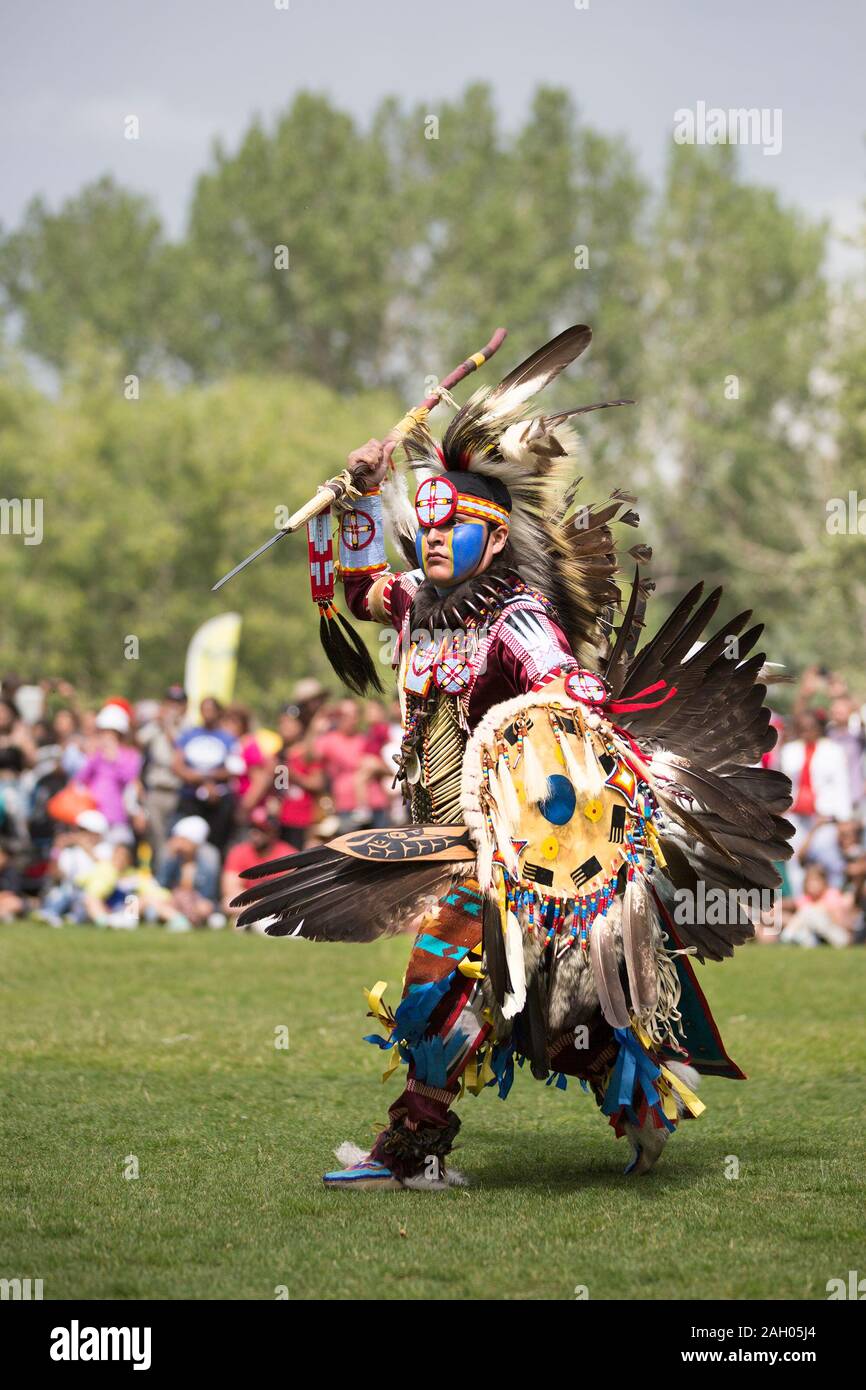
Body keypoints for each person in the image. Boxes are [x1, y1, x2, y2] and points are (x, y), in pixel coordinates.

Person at [232, 324, 793, 1190]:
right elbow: (357, 589)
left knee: (441, 982)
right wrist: (363, 495)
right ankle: (638, 1101)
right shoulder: (418, 605)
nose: (431, 539)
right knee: (542, 1007)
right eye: (425, 525)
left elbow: (568, 686)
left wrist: (572, 703)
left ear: (493, 539)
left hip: (516, 844)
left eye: (451, 525)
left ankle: (417, 1153)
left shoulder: (514, 616)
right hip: (447, 832)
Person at [780, 709, 851, 896]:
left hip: (823, 817)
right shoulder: (790, 751)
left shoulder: (833, 750)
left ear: (819, 728)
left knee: (828, 860)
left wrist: (844, 819)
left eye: (810, 727)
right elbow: (784, 783)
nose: (806, 731)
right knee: (795, 861)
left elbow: (842, 785)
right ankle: (800, 899)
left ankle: (832, 898)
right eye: (802, 728)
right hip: (796, 815)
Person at [173, 697, 241, 852]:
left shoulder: (228, 739)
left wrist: (209, 779)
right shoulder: (189, 735)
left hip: (218, 799)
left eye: (211, 710)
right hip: (190, 797)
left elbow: (233, 768)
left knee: (214, 842)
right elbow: (177, 764)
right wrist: (199, 779)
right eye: (205, 710)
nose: (208, 714)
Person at [221, 807, 295, 926]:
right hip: (257, 904)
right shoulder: (238, 852)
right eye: (253, 828)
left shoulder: (288, 855)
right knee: (228, 902)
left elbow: (292, 893)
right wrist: (263, 902)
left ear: (273, 832)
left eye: (261, 829)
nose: (255, 834)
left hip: (276, 907)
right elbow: (230, 890)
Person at [138, 686, 186, 858]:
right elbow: (139, 740)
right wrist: (157, 723)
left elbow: (182, 748)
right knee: (155, 839)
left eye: (177, 703)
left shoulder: (188, 727)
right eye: (170, 702)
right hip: (156, 791)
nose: (173, 707)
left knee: (174, 839)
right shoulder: (155, 726)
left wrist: (169, 727)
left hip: (179, 792)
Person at [75, 704, 142, 829]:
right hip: (93, 813)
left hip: (115, 815)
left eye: (110, 732)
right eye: (103, 731)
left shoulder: (130, 755)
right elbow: (82, 778)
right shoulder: (97, 753)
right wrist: (92, 756)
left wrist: (115, 759)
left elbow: (130, 779)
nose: (105, 736)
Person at [155, 815, 222, 927]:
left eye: (182, 839)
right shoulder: (173, 858)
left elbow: (208, 894)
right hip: (173, 900)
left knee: (205, 908)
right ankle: (179, 920)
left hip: (197, 902)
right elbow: (161, 884)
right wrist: (170, 859)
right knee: (156, 903)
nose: (177, 843)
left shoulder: (208, 859)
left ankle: (181, 919)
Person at [780, 864, 855, 948]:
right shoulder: (806, 898)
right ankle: (796, 938)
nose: (813, 885)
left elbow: (838, 921)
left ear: (824, 882)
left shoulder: (831, 894)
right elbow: (792, 905)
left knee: (808, 911)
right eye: (810, 881)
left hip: (836, 934)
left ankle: (787, 937)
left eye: (816, 880)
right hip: (816, 935)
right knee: (803, 915)